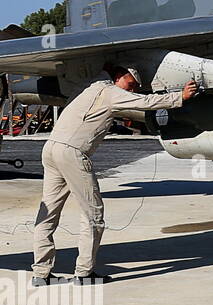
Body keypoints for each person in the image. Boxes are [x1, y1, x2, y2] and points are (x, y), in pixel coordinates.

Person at [31, 66, 198, 285]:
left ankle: (41, 274)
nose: (133, 90)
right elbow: (144, 103)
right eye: (131, 85)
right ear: (118, 77)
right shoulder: (110, 92)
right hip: (72, 153)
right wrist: (180, 97)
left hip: (51, 148)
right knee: (93, 214)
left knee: (48, 213)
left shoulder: (88, 87)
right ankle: (84, 273)